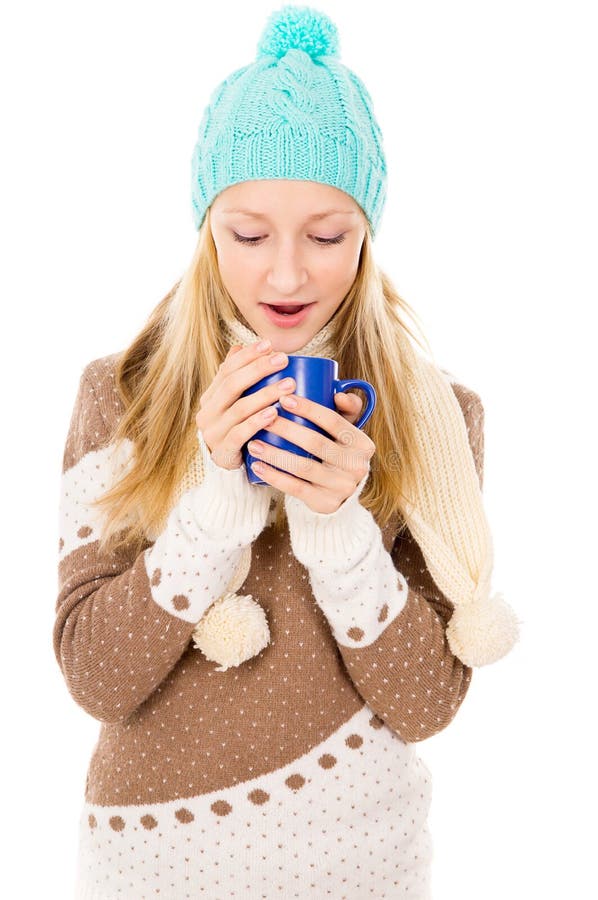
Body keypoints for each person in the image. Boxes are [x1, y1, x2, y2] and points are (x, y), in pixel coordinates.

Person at [54, 5, 520, 898]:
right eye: (250, 233)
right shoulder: (119, 396)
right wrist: (212, 512)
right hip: (150, 870)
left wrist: (341, 532)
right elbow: (93, 676)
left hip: (362, 871)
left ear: (369, 234)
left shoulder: (438, 419)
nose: (286, 275)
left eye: (328, 235)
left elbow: (426, 707)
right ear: (205, 227)